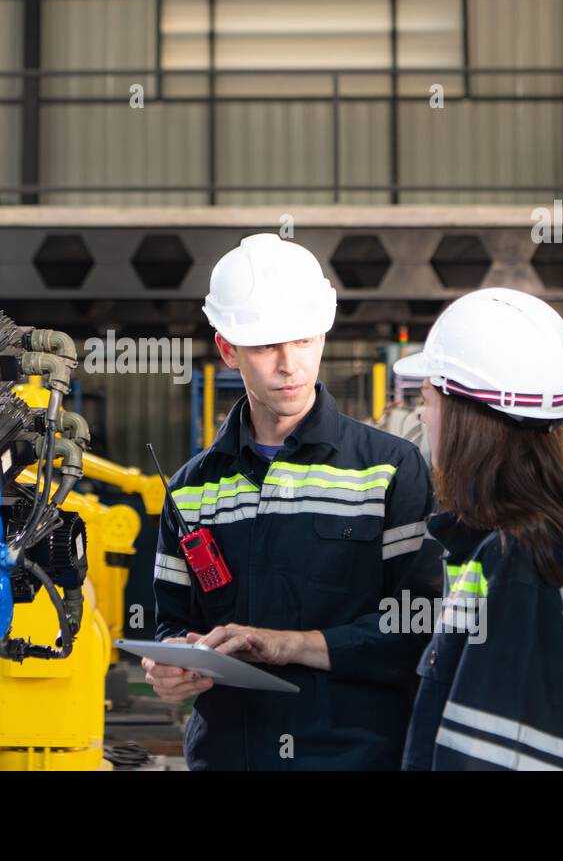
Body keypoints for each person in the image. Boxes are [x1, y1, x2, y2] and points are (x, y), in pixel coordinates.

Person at [145, 233, 441, 770]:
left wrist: (291, 644)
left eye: (303, 341)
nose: (288, 365)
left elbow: (420, 626)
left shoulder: (389, 468)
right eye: (265, 346)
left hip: (354, 756)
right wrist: (171, 668)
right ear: (228, 350)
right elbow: (170, 624)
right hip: (227, 756)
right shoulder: (190, 489)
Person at [395, 287, 563, 771]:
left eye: (428, 399)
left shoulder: (520, 563)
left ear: (466, 420)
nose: (423, 416)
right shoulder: (552, 540)